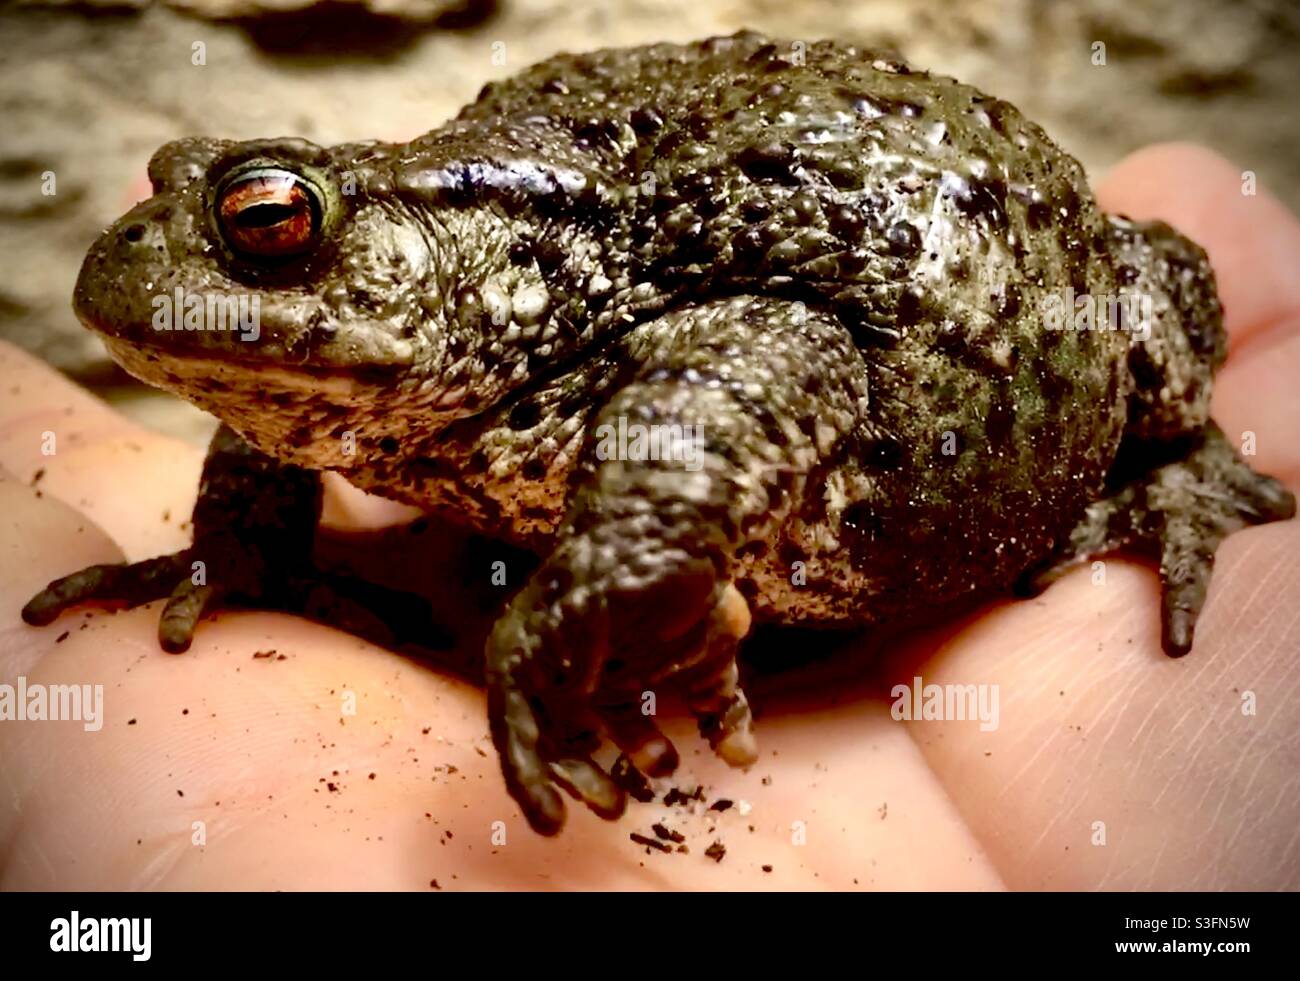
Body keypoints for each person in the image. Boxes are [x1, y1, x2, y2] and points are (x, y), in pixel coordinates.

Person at [1, 144, 1296, 890]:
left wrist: (618, 570)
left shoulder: (577, 344)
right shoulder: (406, 383)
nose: (175, 259)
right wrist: (248, 547)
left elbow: (786, 349)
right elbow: (296, 399)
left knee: (1148, 287)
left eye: (265, 224)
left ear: (435, 250)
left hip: (955, 268)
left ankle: (1178, 457)